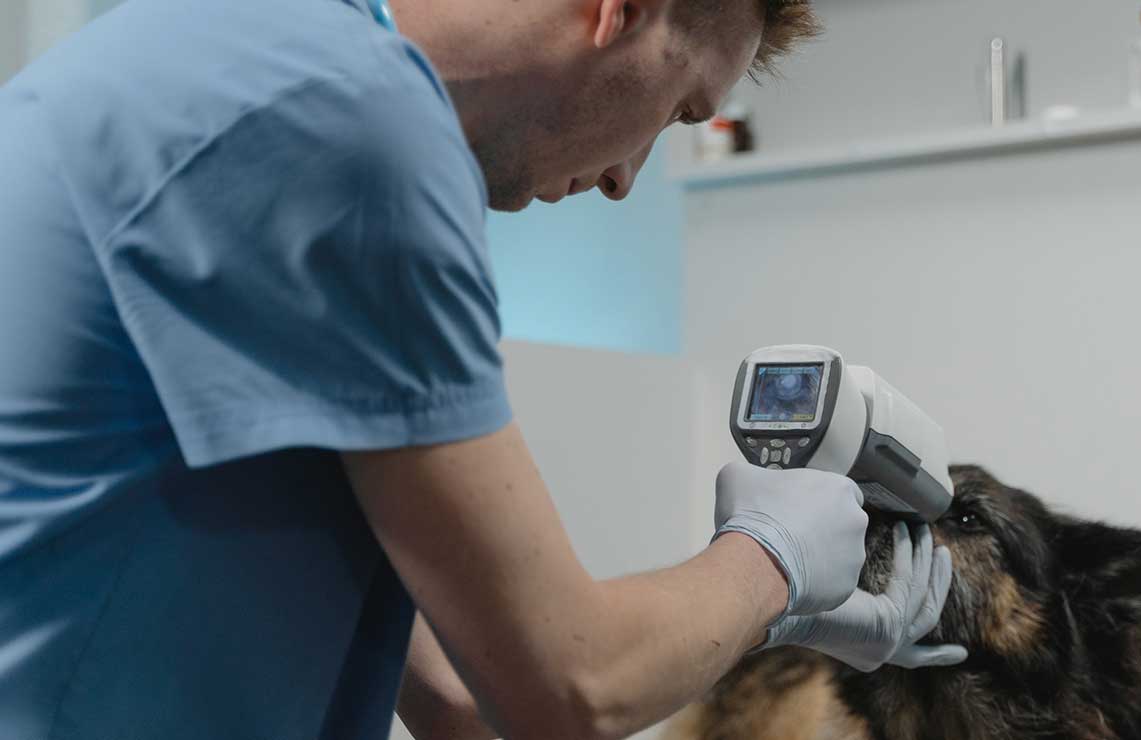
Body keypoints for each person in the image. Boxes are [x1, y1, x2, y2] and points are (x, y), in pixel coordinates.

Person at [0, 0, 965, 738]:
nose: (627, 177)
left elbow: (463, 696)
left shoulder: (245, 53)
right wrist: (770, 562)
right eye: (679, 109)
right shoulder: (351, 132)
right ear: (618, 11)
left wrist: (759, 621)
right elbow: (570, 686)